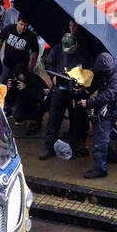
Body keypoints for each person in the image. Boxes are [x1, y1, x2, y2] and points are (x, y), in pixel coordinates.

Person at [40, 25, 91, 160]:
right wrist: (53, 77)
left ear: (76, 45)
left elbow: (88, 76)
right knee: (54, 119)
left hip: (75, 93)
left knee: (76, 120)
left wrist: (79, 90)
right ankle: (48, 146)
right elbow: (49, 63)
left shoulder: (84, 54)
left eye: (71, 49)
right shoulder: (58, 48)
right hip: (59, 90)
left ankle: (74, 147)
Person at [78, 52, 117, 178]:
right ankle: (114, 157)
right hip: (105, 109)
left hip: (110, 111)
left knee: (100, 140)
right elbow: (96, 83)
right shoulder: (108, 70)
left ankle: (100, 169)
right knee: (102, 136)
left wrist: (89, 102)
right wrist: (82, 93)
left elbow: (109, 95)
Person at [0, 14, 39, 88]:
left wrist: (31, 68)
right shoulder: (9, 28)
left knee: (18, 87)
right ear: (17, 22)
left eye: (26, 25)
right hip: (7, 64)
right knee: (3, 85)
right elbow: (0, 38)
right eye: (21, 24)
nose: (23, 27)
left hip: (21, 68)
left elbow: (35, 52)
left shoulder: (31, 36)